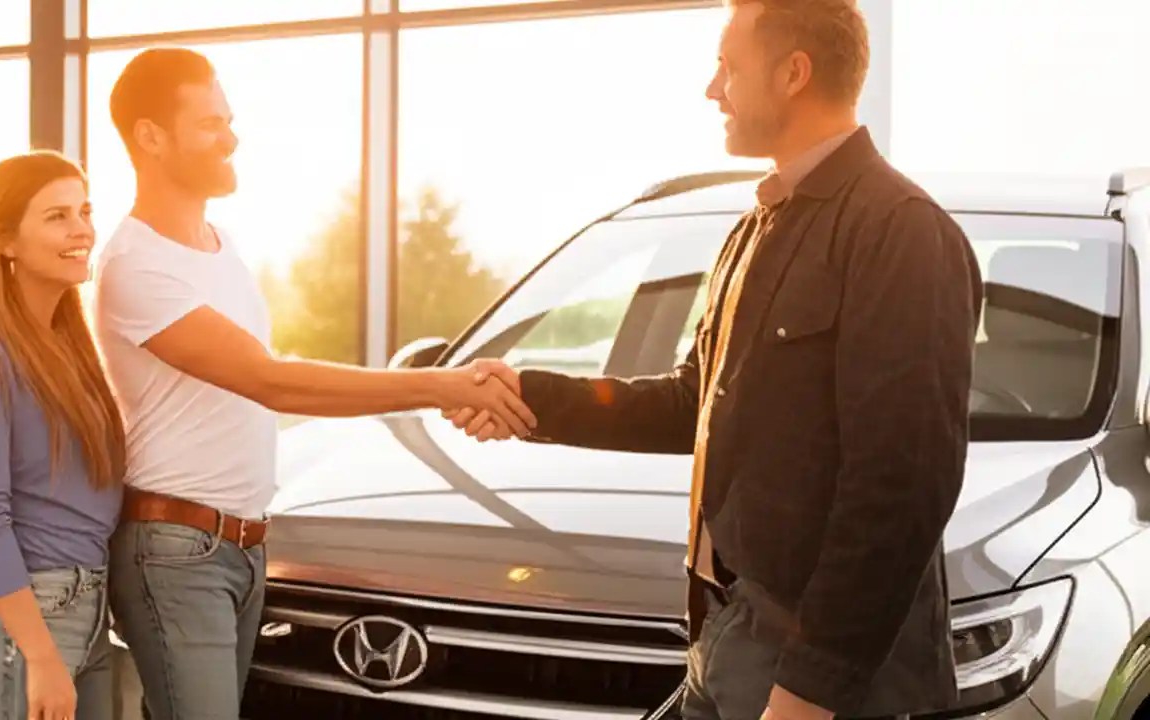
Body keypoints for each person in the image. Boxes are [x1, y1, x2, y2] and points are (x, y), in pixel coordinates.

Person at [448, 1, 984, 718]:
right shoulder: (753, 229)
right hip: (726, 639)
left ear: (794, 73)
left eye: (728, 67)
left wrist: (808, 694)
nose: (712, 89)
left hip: (822, 683)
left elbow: (902, 488)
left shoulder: (902, 233)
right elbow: (690, 402)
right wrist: (526, 397)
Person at [94, 47, 532, 720]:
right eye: (211, 122)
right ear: (150, 137)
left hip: (241, 549)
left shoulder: (220, 244)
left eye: (229, 119)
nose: (231, 137)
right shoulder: (135, 265)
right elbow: (276, 383)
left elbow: (269, 376)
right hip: (176, 553)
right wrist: (443, 386)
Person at [0, 150, 128, 720]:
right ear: (6, 243)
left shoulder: (71, 349)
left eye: (84, 211)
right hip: (26, 625)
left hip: (87, 610)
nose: (82, 230)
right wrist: (40, 656)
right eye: (57, 216)